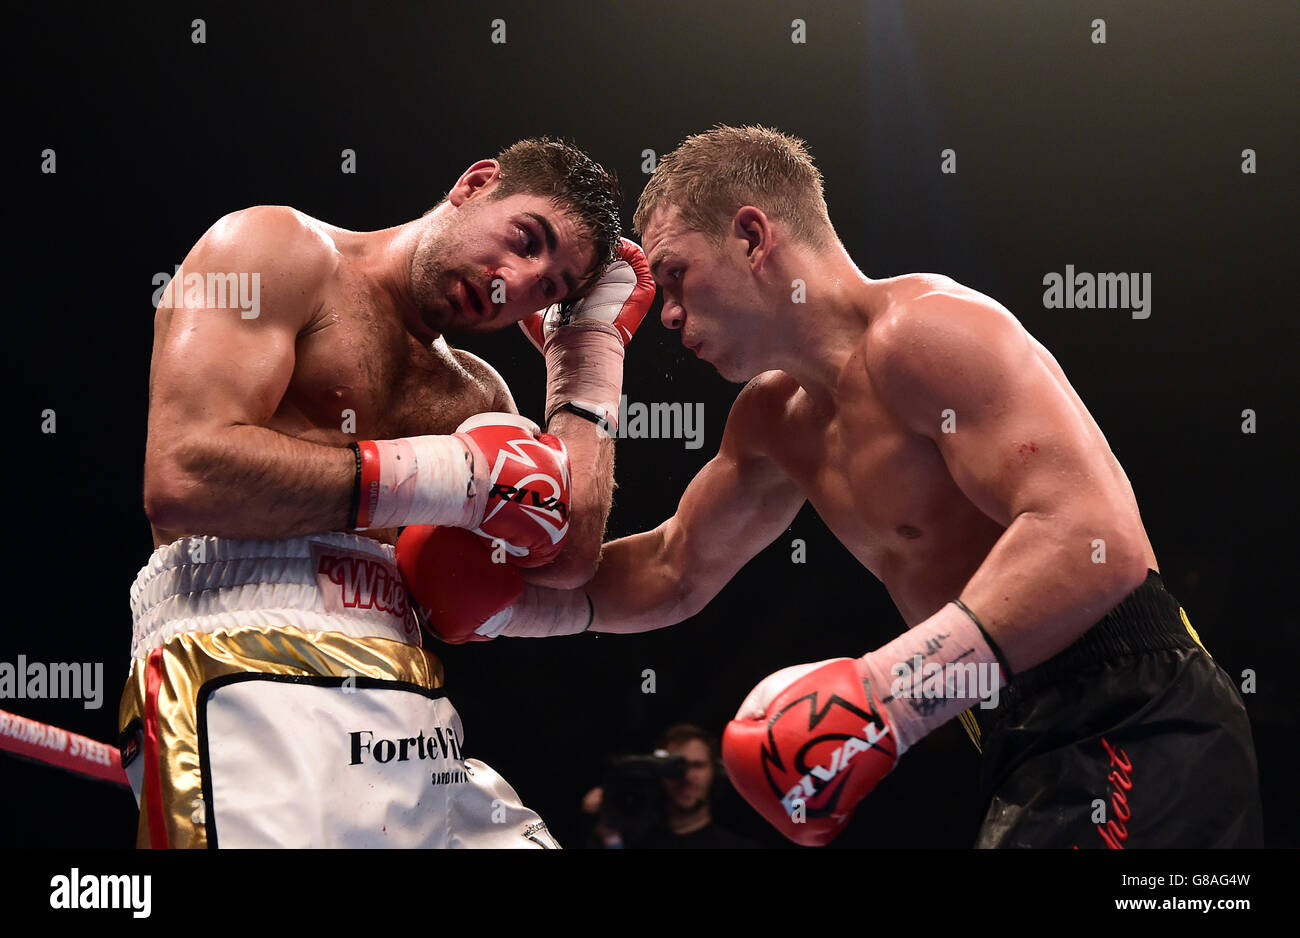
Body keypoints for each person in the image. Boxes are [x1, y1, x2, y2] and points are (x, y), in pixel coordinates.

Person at [414, 125, 1263, 849]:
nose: (665, 316)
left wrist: (890, 692)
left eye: (674, 274)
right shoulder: (774, 420)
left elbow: (1096, 541)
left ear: (753, 238)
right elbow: (675, 569)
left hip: (1134, 704)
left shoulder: (932, 333)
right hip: (1005, 725)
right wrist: (509, 603)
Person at [119, 137, 655, 848]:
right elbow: (183, 476)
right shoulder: (277, 248)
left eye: (546, 290)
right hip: (244, 656)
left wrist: (586, 360)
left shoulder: (477, 394)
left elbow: (566, 559)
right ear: (475, 183)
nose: (512, 284)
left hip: (409, 701)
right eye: (524, 240)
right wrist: (446, 480)